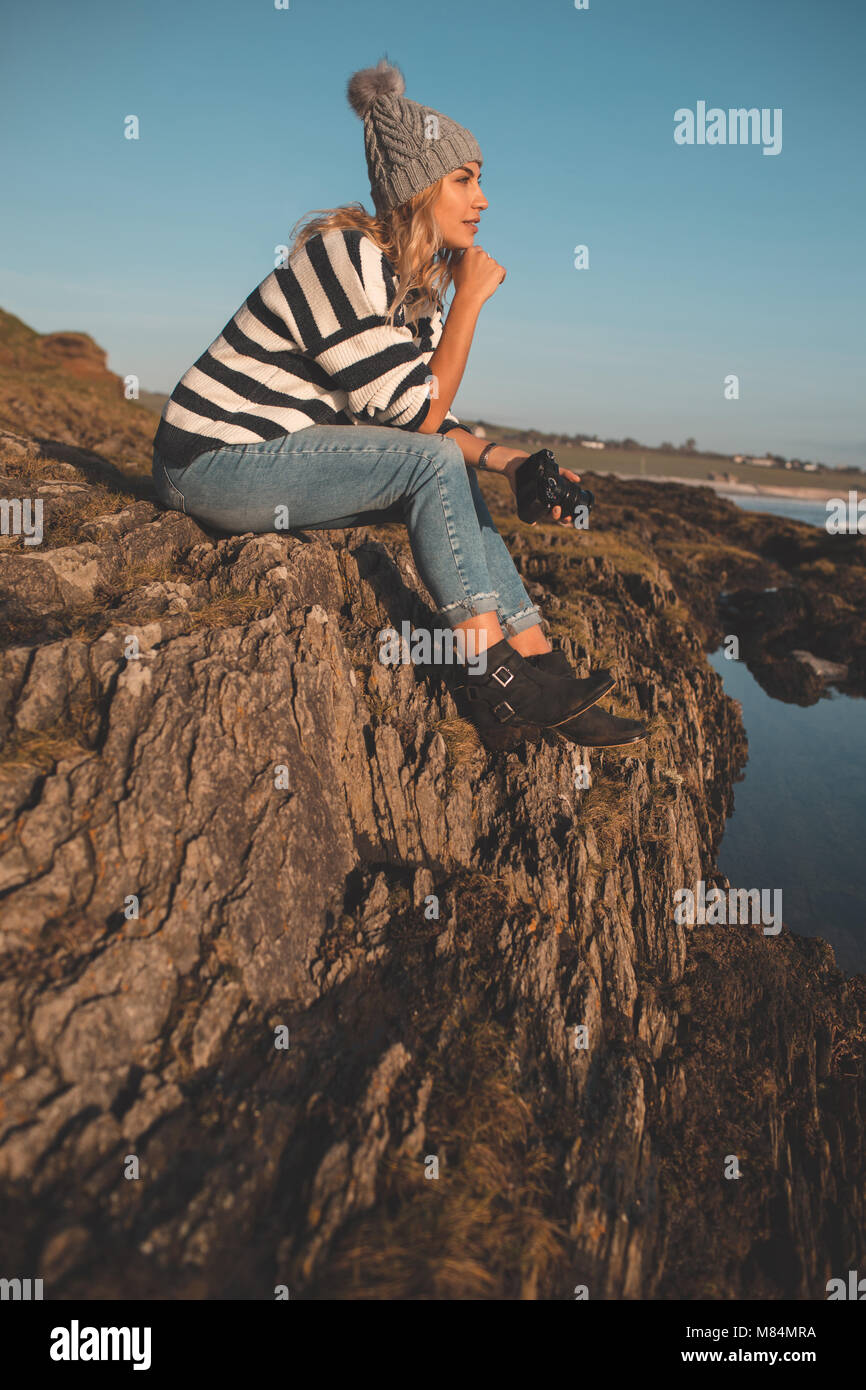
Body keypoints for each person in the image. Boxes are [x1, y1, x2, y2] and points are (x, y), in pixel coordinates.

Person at [151, 55, 647, 753]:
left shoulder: (410, 292)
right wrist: (471, 302)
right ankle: (493, 681)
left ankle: (539, 669)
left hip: (274, 458)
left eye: (481, 181)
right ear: (417, 189)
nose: (482, 200)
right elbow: (417, 423)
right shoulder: (341, 257)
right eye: (465, 180)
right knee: (432, 464)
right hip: (211, 461)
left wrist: (515, 463)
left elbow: (415, 411)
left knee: (450, 465)